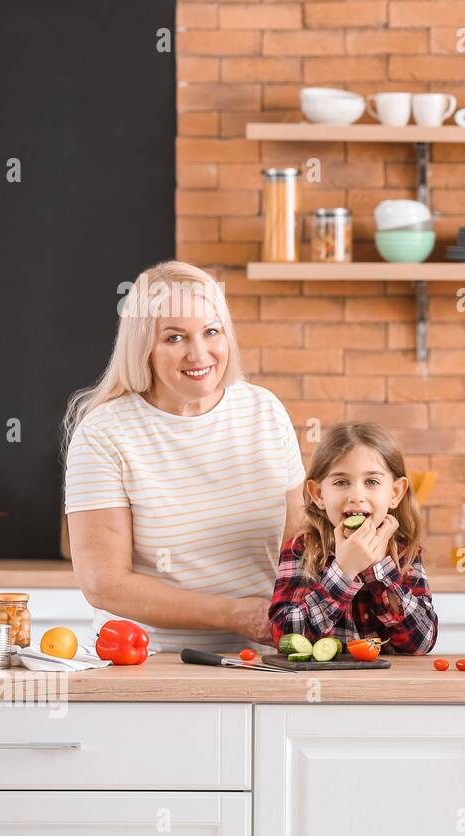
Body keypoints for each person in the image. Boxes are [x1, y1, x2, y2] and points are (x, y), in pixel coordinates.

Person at [64, 261, 305, 652]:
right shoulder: (104, 433)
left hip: (263, 657)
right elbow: (104, 583)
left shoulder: (264, 411)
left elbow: (299, 541)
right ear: (143, 347)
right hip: (145, 660)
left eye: (212, 332)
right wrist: (233, 615)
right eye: (174, 338)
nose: (199, 353)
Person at [270, 421, 436, 654]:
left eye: (372, 482)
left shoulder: (405, 552)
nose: (356, 496)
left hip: (387, 688)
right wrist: (344, 570)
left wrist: (378, 567)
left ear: (395, 493)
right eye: (341, 482)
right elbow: (284, 637)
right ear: (318, 494)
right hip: (322, 686)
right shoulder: (301, 548)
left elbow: (421, 641)